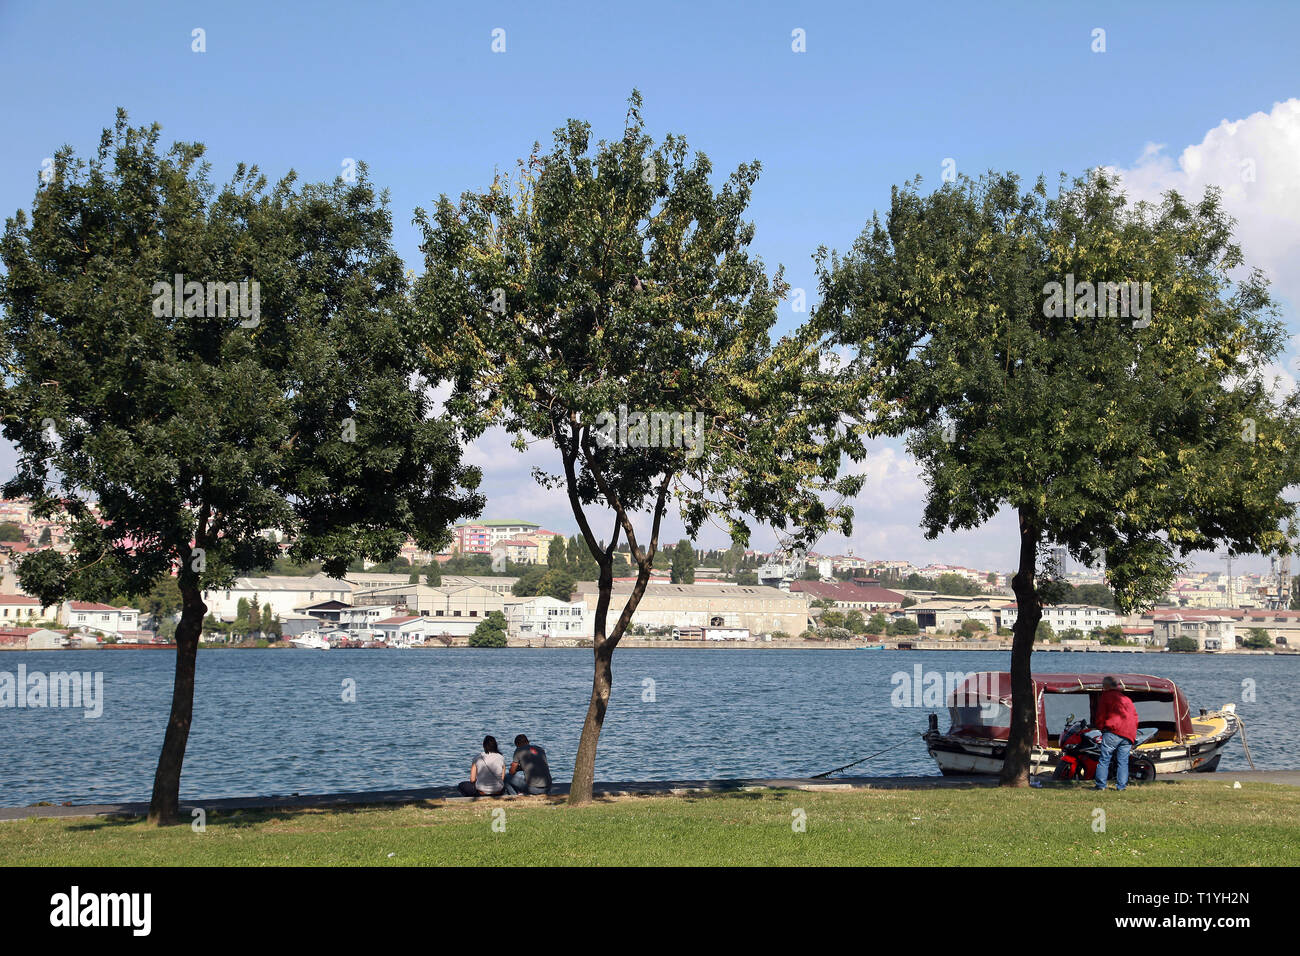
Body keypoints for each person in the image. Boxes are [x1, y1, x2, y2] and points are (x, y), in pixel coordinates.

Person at [1094, 676, 1138, 791]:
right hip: (1128, 733)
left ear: (1106, 686)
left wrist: (1100, 727)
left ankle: (1100, 785)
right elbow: (1134, 717)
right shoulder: (1126, 699)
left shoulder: (1106, 696)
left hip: (1113, 731)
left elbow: (1101, 715)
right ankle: (1121, 786)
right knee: (1123, 761)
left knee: (1104, 759)